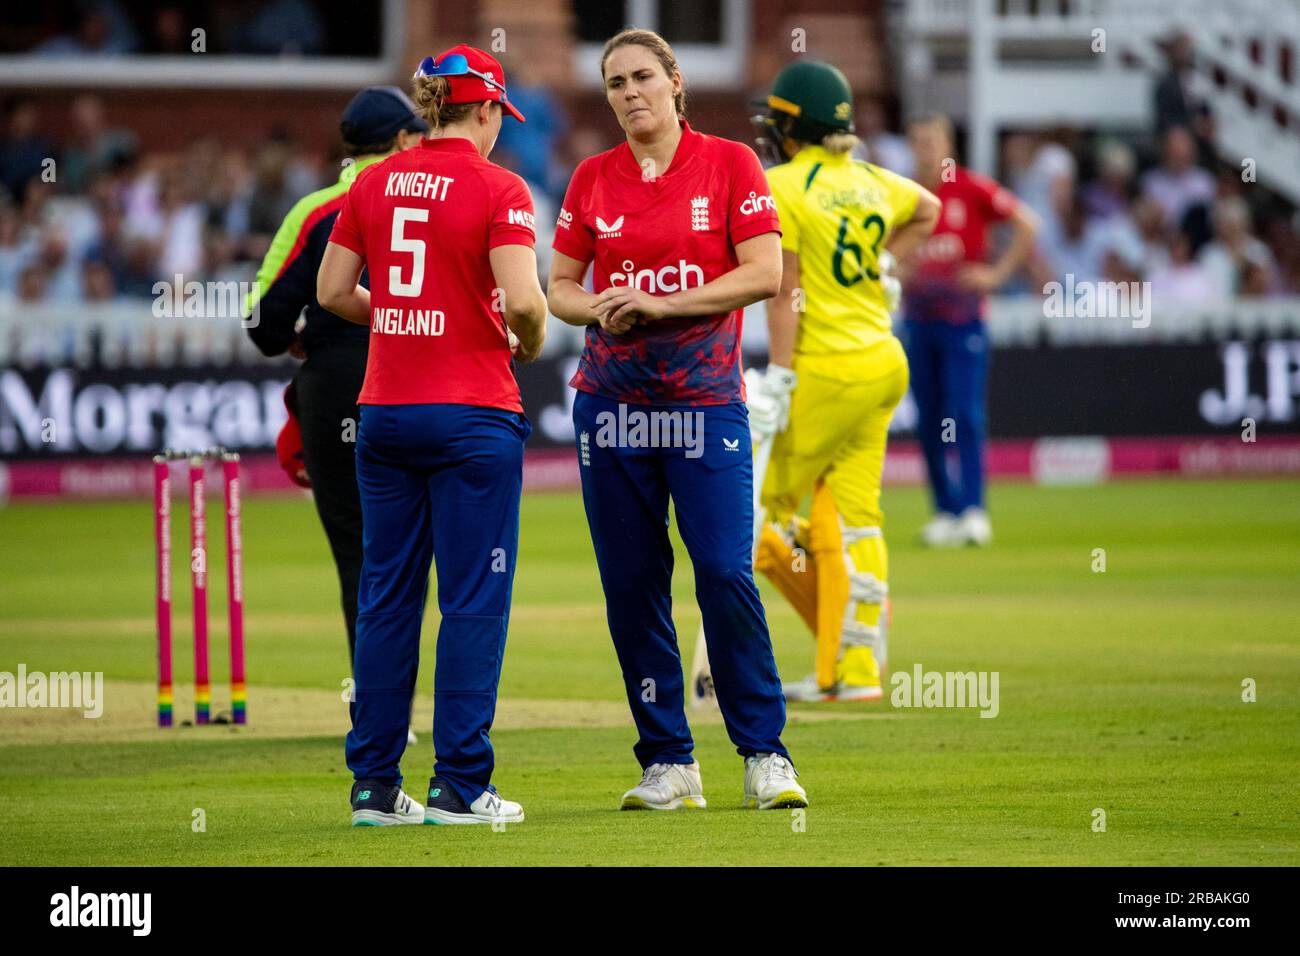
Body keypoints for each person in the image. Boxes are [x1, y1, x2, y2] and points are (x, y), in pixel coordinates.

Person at [547, 28, 805, 812]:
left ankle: (765, 754)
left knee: (726, 572)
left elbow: (763, 273)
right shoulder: (592, 178)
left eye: (640, 78)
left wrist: (661, 303)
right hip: (612, 407)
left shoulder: (730, 163)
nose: (628, 93)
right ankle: (669, 762)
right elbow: (558, 284)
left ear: (675, 81)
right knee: (631, 586)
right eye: (614, 82)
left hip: (704, 407)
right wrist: (601, 307)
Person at [317, 45, 546, 826]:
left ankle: (374, 786)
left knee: (387, 597)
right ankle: (459, 783)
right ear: (483, 110)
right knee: (474, 599)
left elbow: (331, 291)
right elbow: (524, 303)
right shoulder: (500, 186)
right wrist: (528, 336)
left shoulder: (374, 180)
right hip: (472, 413)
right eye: (496, 117)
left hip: (384, 412)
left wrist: (408, 320)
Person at [747, 61, 940, 703]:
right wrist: (887, 259)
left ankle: (833, 636)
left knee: (763, 521)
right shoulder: (871, 178)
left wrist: (777, 373)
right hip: (883, 365)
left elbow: (785, 288)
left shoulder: (784, 184)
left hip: (826, 370)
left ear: (790, 128)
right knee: (855, 518)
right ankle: (854, 669)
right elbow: (930, 209)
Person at [245, 87, 427, 697]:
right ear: (402, 139)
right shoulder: (440, 199)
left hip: (339, 385)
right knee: (439, 550)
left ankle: (380, 708)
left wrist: (304, 336)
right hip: (430, 383)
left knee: (361, 552)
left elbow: (262, 323)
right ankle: (458, 714)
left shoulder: (317, 210)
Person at [903, 114, 1038, 548]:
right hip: (918, 320)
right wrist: (897, 269)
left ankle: (974, 510)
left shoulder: (971, 188)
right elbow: (885, 248)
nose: (926, 149)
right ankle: (945, 510)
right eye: (919, 141)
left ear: (947, 145)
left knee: (965, 414)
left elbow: (1027, 224)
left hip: (964, 321)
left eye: (932, 141)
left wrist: (996, 275)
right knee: (929, 418)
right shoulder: (903, 193)